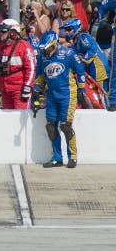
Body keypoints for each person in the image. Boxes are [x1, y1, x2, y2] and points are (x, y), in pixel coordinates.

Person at [33, 31, 85, 169]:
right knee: (51, 125)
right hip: (51, 94)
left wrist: (82, 90)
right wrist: (36, 88)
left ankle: (72, 156)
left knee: (65, 125)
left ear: (55, 44)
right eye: (44, 48)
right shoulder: (42, 57)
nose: (46, 50)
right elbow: (41, 75)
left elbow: (80, 71)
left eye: (48, 47)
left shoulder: (68, 54)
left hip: (67, 93)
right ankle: (57, 158)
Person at [0, 18, 37, 110]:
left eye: (4, 31)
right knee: (8, 119)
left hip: (19, 89)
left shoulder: (24, 47)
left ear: (13, 32)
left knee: (20, 115)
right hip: (5, 90)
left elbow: (31, 69)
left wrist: (27, 87)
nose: (0, 33)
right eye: (0, 31)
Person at [60, 18, 110, 96]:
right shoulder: (76, 42)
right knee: (95, 98)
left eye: (69, 29)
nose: (67, 32)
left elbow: (92, 48)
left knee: (102, 97)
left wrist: (83, 60)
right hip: (92, 72)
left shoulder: (83, 36)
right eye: (65, 30)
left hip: (99, 71)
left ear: (77, 28)